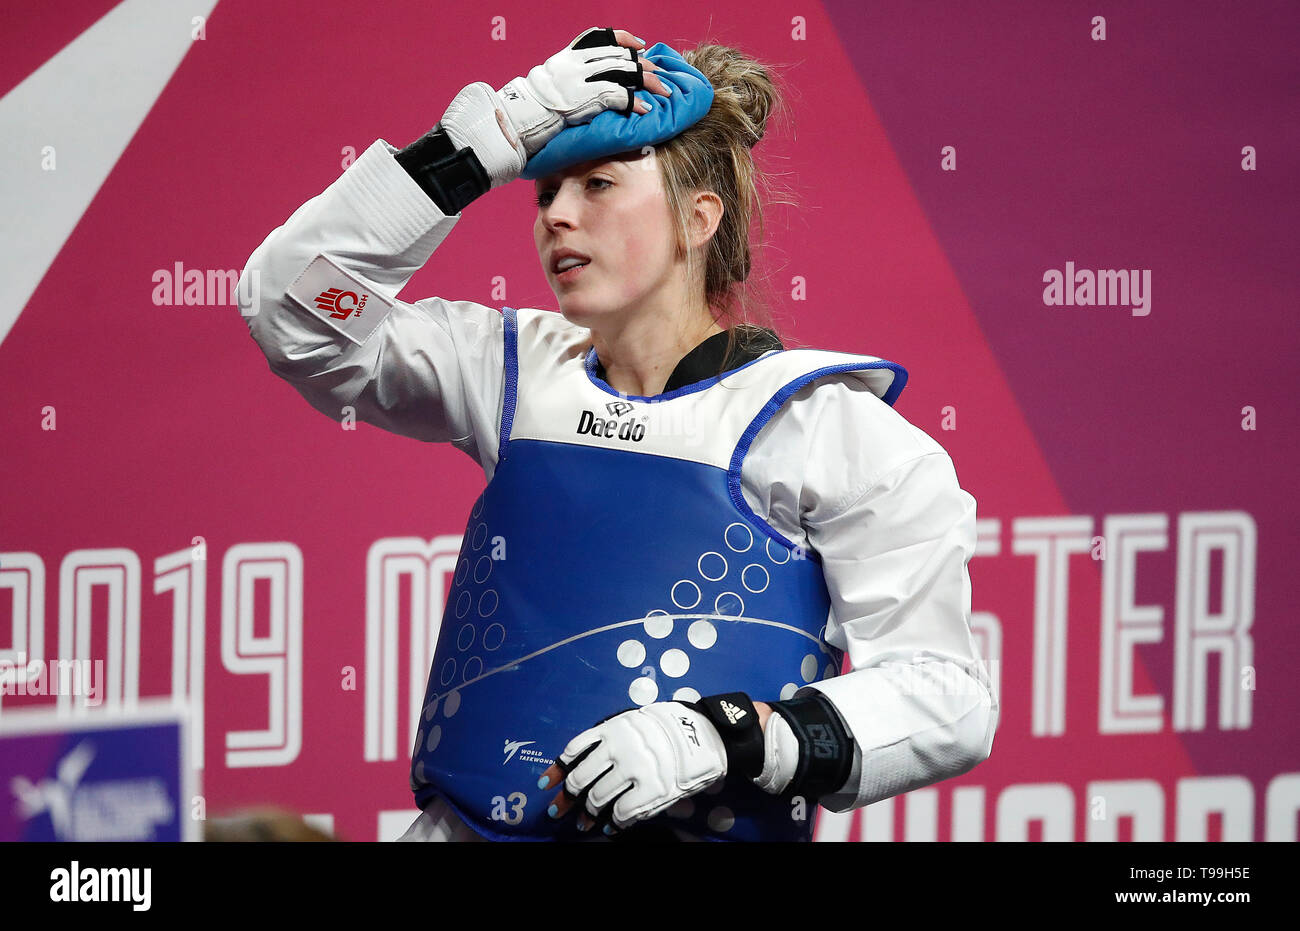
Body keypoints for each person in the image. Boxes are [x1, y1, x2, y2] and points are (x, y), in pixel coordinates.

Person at [237, 27, 998, 843]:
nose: (558, 215)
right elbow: (290, 313)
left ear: (698, 218)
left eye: (598, 183)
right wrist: (478, 145)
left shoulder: (828, 429)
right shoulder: (508, 369)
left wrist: (729, 736)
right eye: (544, 192)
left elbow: (945, 694)